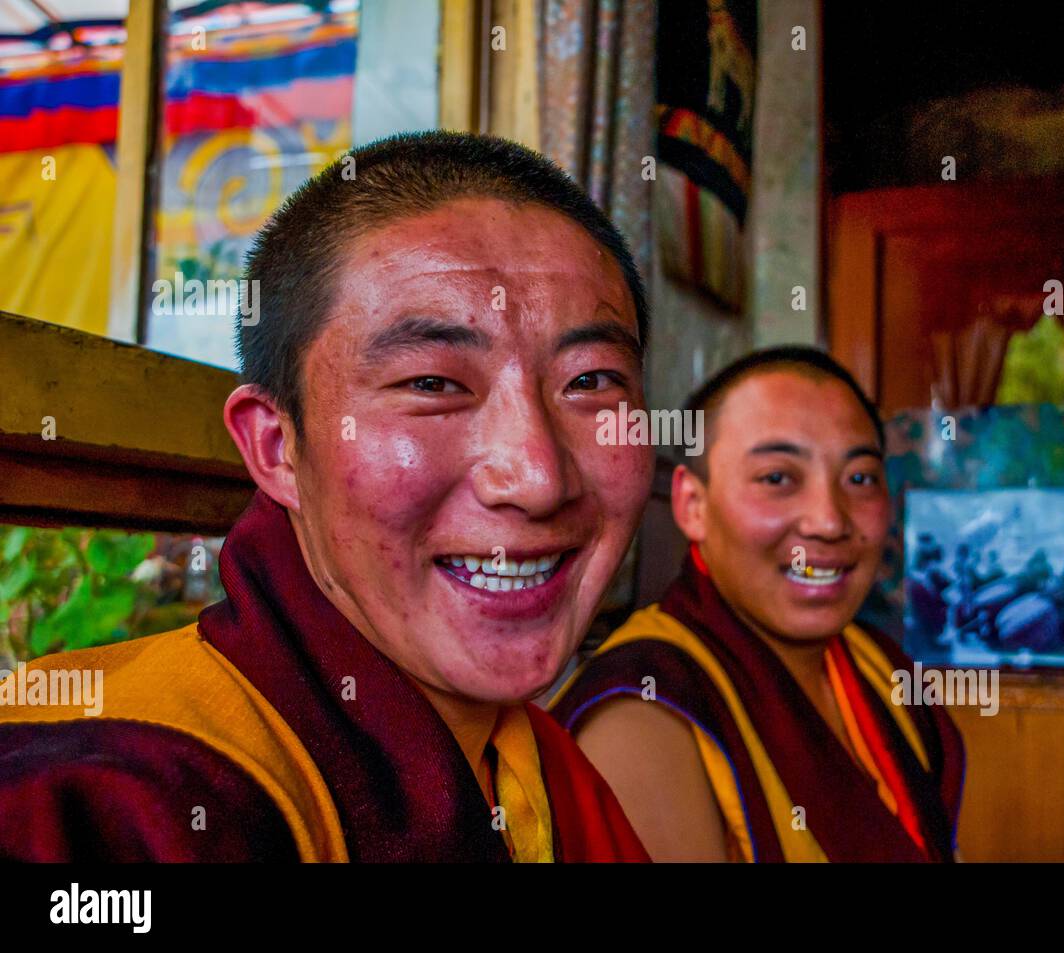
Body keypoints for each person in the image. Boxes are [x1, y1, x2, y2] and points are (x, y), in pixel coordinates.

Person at [0, 132, 655, 862]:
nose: (538, 477)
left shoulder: (544, 774)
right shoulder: (110, 798)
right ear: (277, 448)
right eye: (432, 384)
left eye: (590, 381)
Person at [550, 347, 965, 862]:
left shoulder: (877, 667)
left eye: (859, 479)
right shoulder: (646, 709)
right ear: (692, 505)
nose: (829, 521)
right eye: (777, 478)